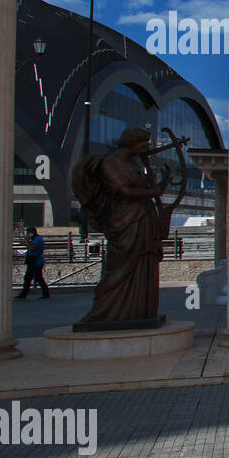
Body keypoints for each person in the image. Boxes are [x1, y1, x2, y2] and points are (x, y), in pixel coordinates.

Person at [73, 126, 168, 323]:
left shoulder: (134, 164)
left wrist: (162, 183)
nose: (147, 147)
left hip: (143, 217)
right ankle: (106, 311)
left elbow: (148, 189)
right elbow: (124, 191)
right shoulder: (112, 163)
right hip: (126, 220)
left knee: (144, 263)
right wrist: (153, 193)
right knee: (120, 267)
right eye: (144, 143)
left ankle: (141, 309)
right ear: (132, 142)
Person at [16, 227, 49, 299]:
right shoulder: (35, 239)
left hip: (36, 262)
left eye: (28, 233)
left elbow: (32, 248)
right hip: (32, 261)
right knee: (29, 278)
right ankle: (24, 294)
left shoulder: (38, 239)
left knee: (38, 278)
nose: (27, 234)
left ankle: (45, 293)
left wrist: (27, 241)